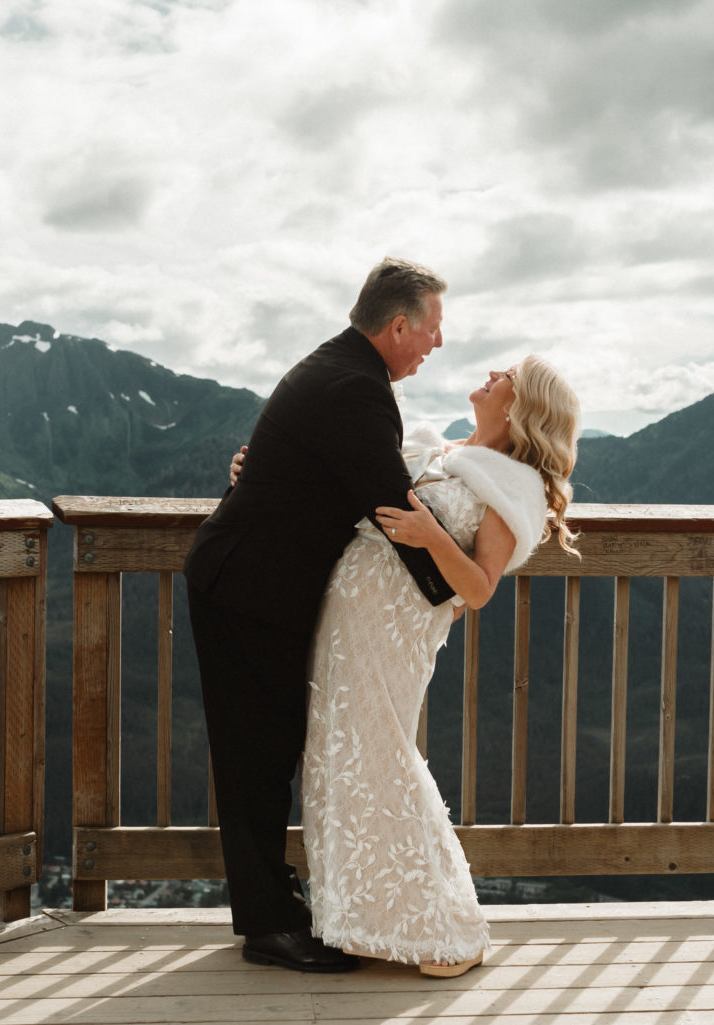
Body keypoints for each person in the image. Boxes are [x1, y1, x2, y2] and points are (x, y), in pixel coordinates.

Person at [183, 258, 457, 974]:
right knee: (256, 755)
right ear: (398, 325)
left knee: (267, 748)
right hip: (246, 586)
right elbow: (393, 506)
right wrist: (455, 587)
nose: (436, 345)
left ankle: (275, 906)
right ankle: (270, 926)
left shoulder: (338, 369)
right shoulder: (356, 389)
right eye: (432, 331)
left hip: (252, 581)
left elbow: (293, 469)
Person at [300, 356, 581, 978]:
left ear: (521, 404)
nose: (491, 371)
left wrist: (431, 535)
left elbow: (478, 589)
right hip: (347, 614)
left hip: (396, 626)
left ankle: (448, 930)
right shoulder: (439, 449)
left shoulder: (511, 483)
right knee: (338, 749)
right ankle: (362, 920)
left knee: (378, 749)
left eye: (506, 372)